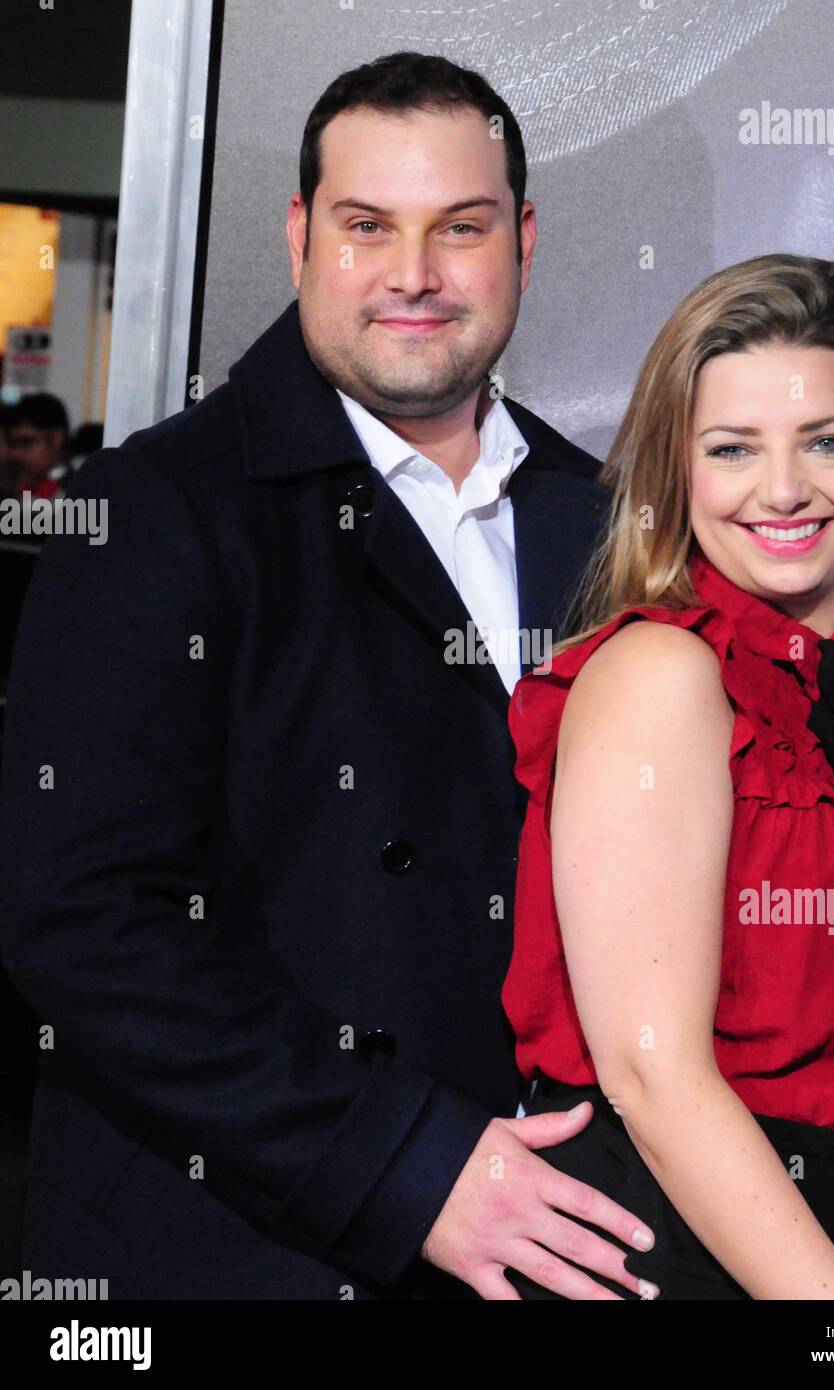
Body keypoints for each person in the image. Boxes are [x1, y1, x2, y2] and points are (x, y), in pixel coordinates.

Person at [0, 52, 658, 1301]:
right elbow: (83, 920)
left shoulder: (612, 522)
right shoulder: (152, 511)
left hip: (566, 1240)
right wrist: (406, 1166)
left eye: (459, 228)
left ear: (520, 238)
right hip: (240, 1254)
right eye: (369, 226)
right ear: (303, 235)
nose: (414, 275)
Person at [502, 252, 834, 1299]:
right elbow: (654, 1075)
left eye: (827, 440)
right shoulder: (660, 675)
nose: (784, 489)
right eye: (734, 449)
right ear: (679, 472)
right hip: (684, 1244)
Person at [2, 393, 72, 499]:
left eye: (26, 443)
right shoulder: (13, 486)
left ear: (56, 439)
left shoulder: (80, 488)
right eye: (13, 444)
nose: (16, 454)